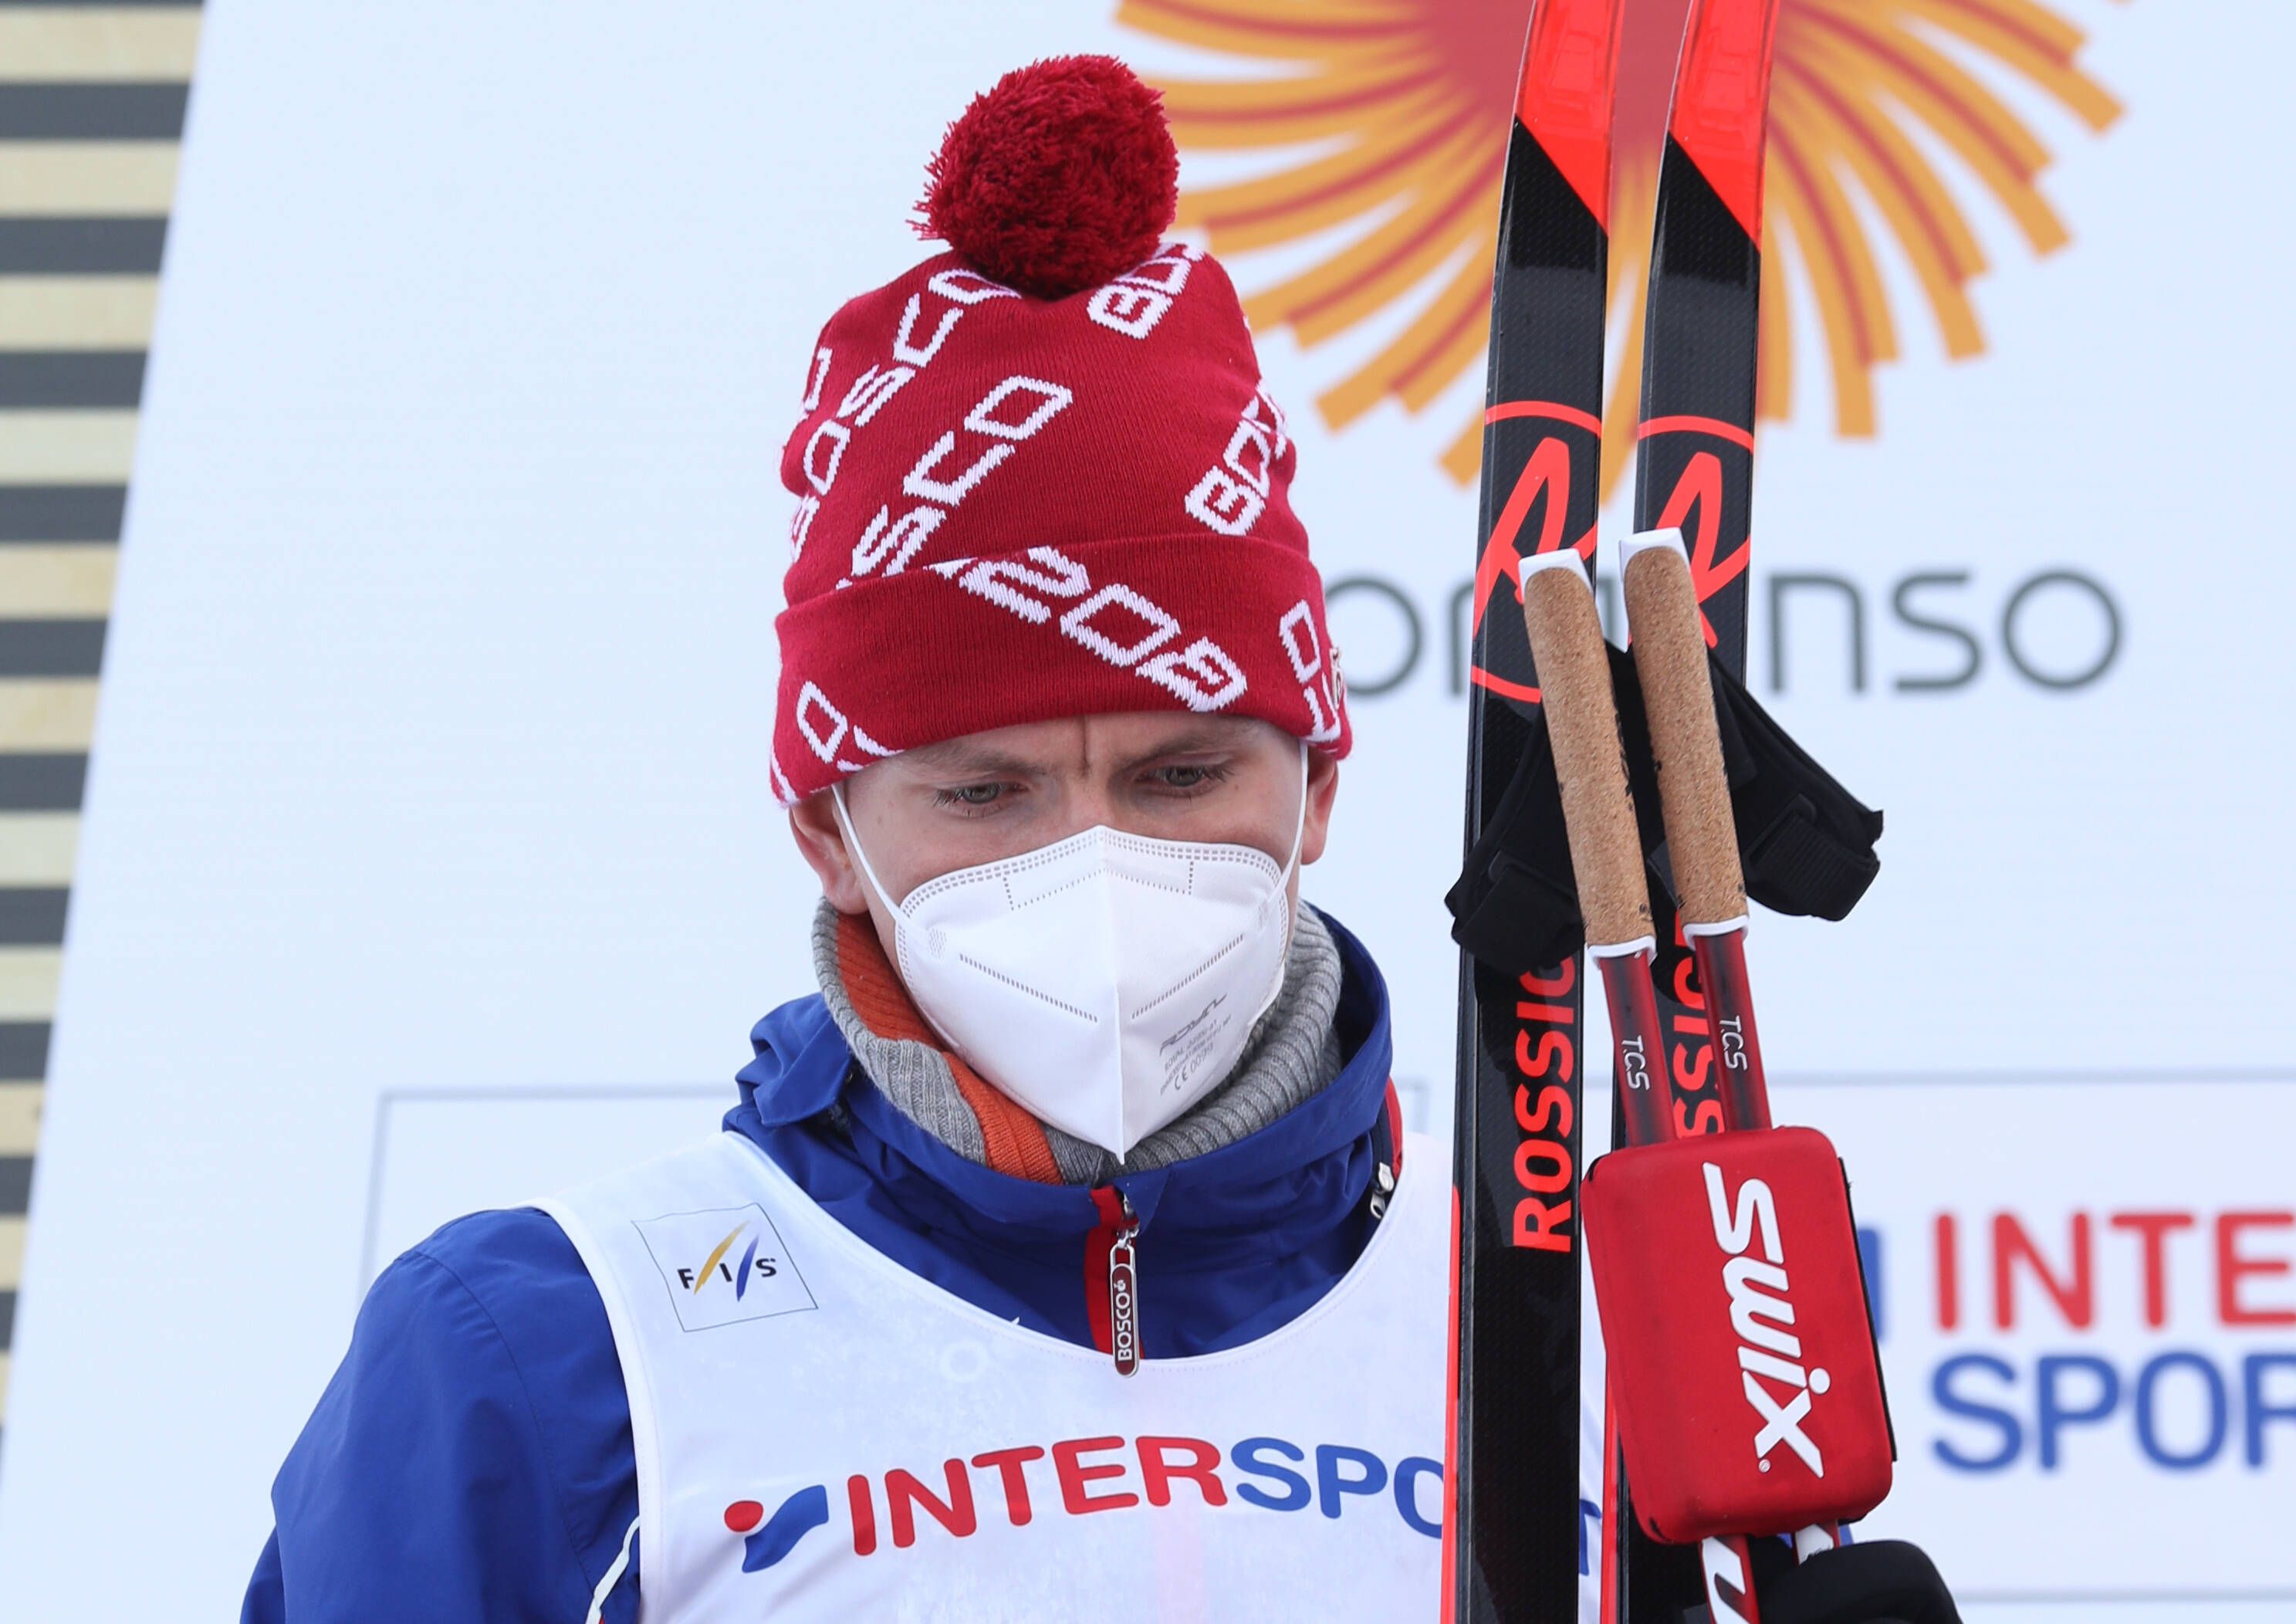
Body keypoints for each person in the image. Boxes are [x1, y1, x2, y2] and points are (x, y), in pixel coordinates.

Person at [245, 55, 1957, 1622]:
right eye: (983, 793)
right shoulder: (556, 1352)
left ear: (1319, 787)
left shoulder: (1594, 1337)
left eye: (1179, 773)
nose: (1098, 863)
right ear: (829, 828)